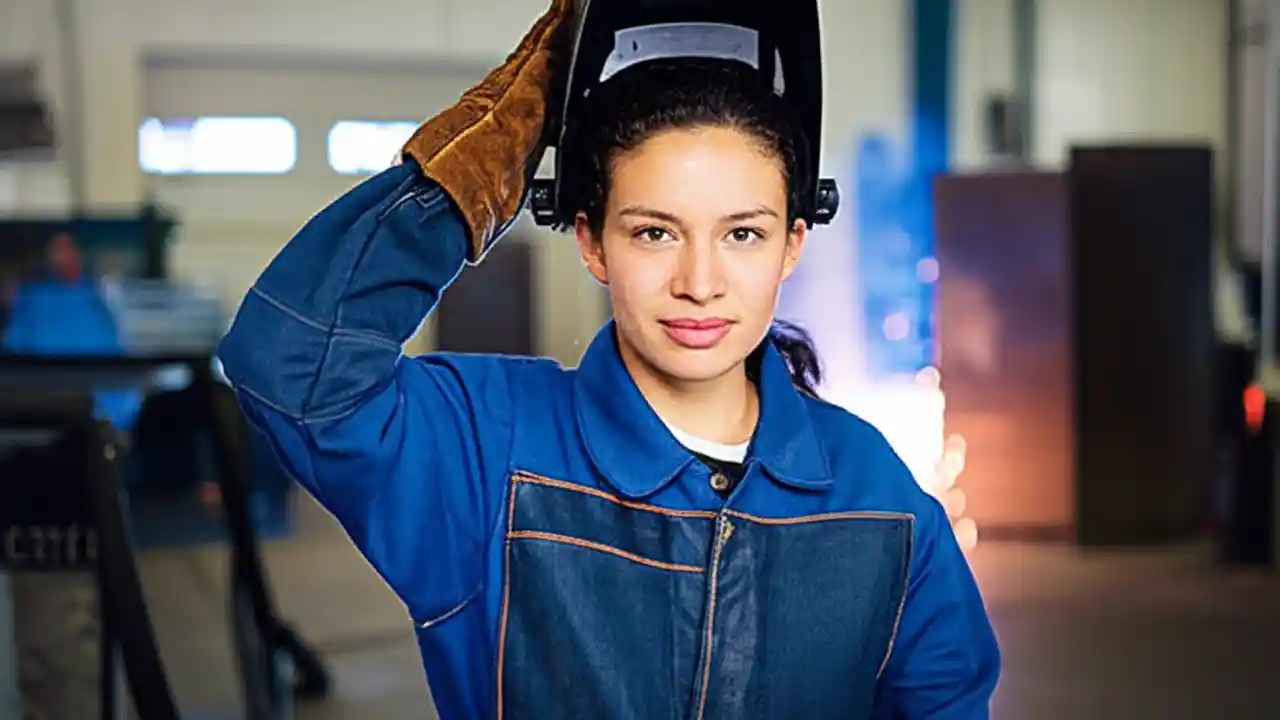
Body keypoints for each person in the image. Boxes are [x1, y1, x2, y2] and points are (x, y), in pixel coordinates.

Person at [217, 1, 1000, 717]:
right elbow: (287, 361)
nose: (700, 283)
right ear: (591, 240)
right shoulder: (485, 451)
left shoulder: (879, 495)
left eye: (743, 234)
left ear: (793, 243)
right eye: (654, 232)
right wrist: (485, 155)